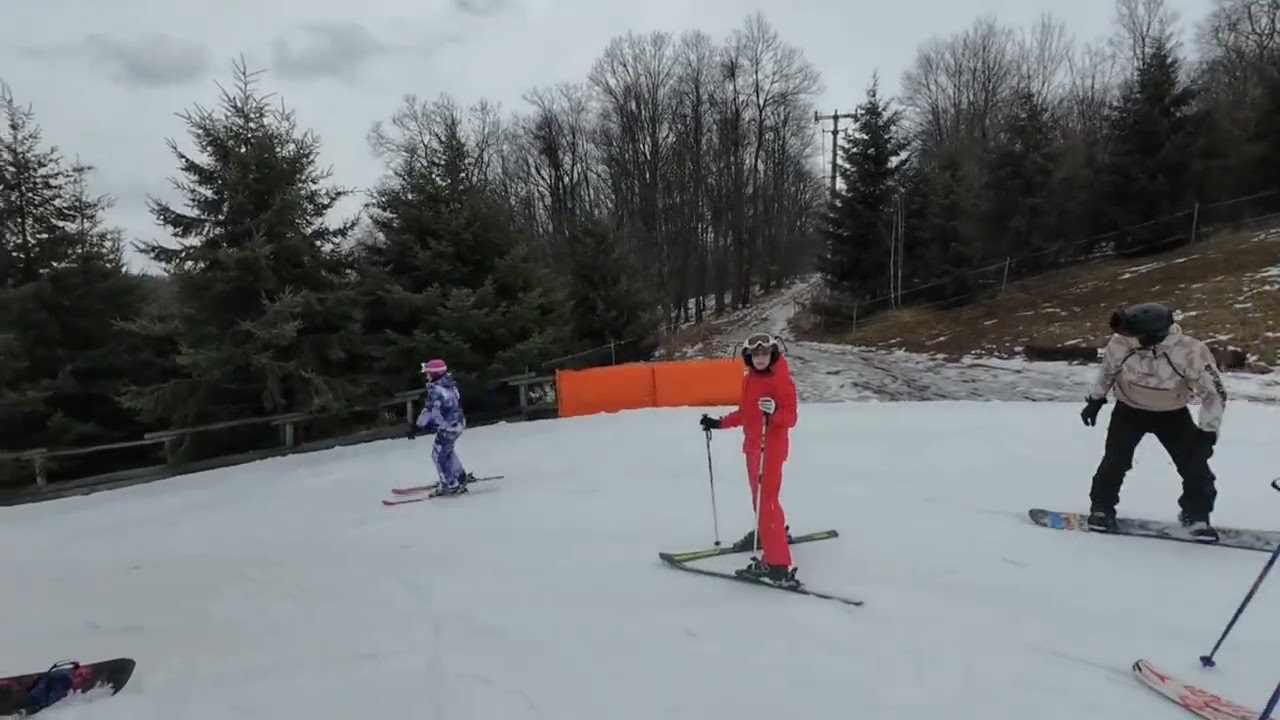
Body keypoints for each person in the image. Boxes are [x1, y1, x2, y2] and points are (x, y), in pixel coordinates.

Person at [1080, 302, 1227, 540]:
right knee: (1114, 462)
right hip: (1129, 410)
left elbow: (1214, 393)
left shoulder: (1191, 351)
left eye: (1132, 334)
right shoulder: (1120, 343)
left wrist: (1208, 431)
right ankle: (1101, 509)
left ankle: (1196, 516)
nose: (1126, 338)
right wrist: (1096, 400)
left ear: (1152, 335)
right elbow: (1108, 371)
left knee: (1195, 467)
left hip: (1172, 414)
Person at [700, 332, 800, 587]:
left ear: (772, 354)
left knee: (766, 502)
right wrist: (719, 423)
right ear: (748, 356)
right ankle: (771, 532)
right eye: (755, 354)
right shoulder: (751, 379)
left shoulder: (781, 380)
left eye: (764, 353)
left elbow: (791, 418)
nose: (759, 358)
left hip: (771, 450)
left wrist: (776, 411)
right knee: (763, 501)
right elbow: (747, 414)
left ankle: (776, 564)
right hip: (753, 449)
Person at [409, 359, 474, 495]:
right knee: (447, 451)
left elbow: (429, 410)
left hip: (448, 427)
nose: (426, 376)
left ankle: (450, 484)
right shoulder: (449, 385)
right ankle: (459, 476)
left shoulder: (437, 391)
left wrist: (417, 425)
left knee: (438, 455)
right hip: (457, 423)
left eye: (428, 374)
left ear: (435, 374)